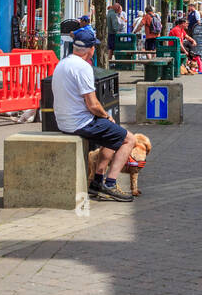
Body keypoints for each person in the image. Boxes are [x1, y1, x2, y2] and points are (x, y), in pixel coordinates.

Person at [52, 26, 138, 202]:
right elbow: (92, 104)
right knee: (129, 139)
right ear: (91, 49)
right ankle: (110, 183)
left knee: (112, 133)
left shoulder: (62, 63)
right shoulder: (83, 68)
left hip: (63, 121)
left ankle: (97, 180)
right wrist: (106, 116)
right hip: (80, 123)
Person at [104, 1, 124, 68]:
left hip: (109, 33)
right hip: (112, 33)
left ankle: (109, 62)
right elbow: (115, 27)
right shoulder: (113, 15)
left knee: (110, 48)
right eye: (119, 10)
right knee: (111, 48)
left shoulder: (109, 13)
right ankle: (110, 62)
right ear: (117, 8)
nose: (120, 12)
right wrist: (121, 26)